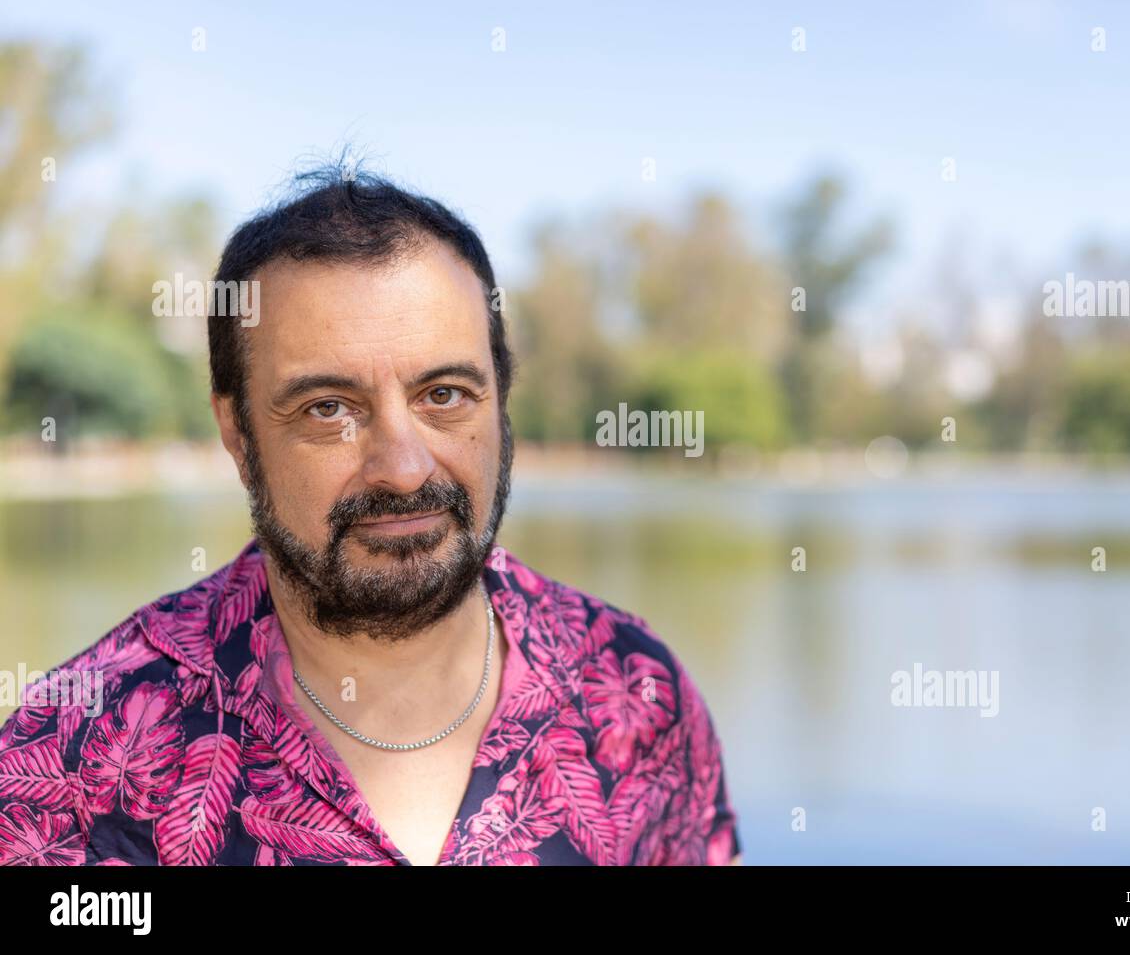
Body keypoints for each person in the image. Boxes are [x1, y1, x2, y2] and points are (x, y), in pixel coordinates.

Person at [0, 164, 742, 866]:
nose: (404, 465)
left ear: (502, 400)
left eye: (445, 395)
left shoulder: (637, 694)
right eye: (329, 409)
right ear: (237, 433)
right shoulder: (74, 756)